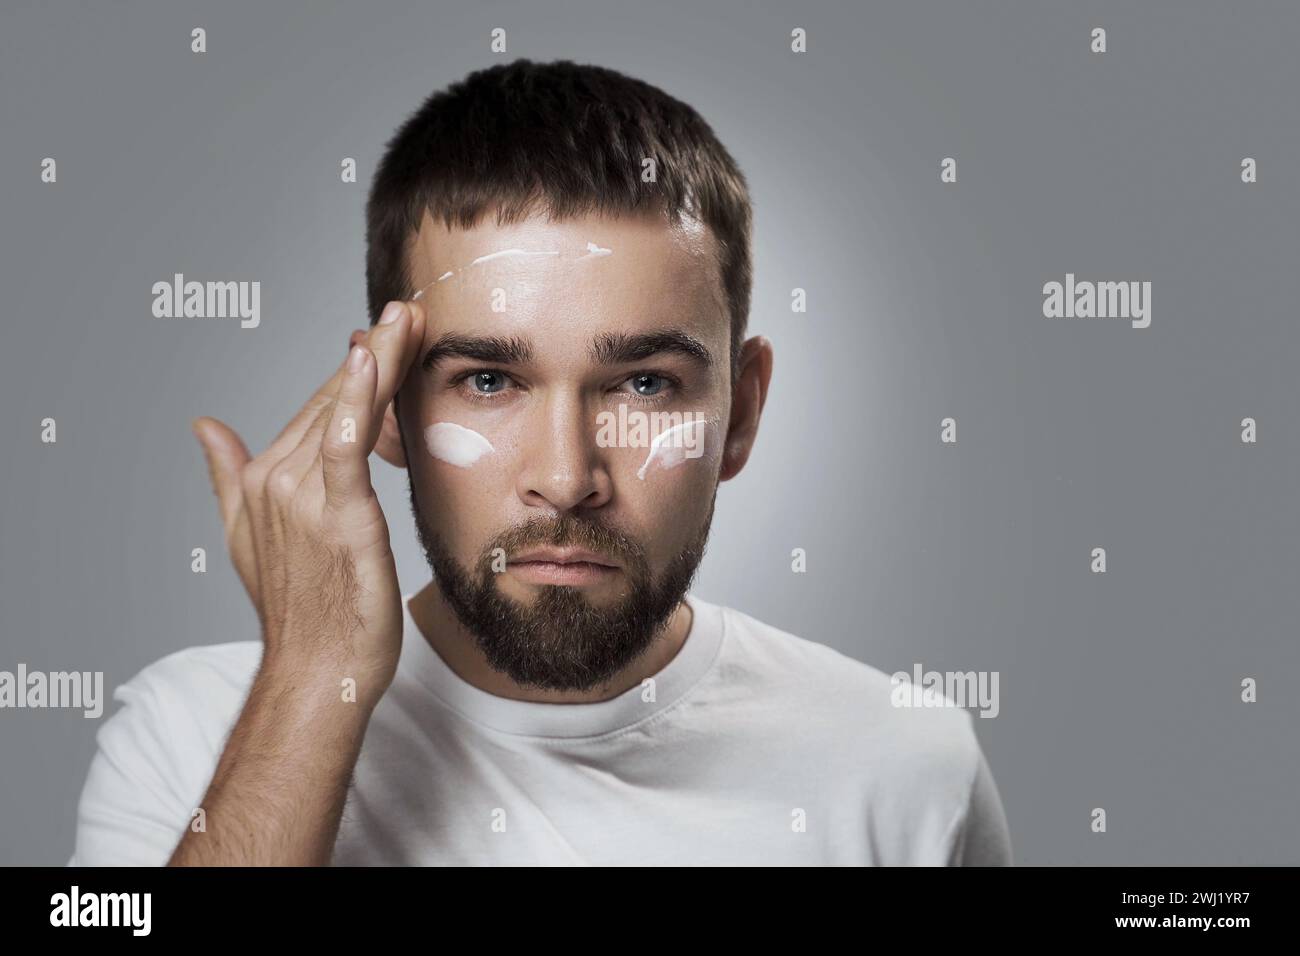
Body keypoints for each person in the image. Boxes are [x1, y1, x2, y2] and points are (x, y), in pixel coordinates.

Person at [68, 58, 1012, 866]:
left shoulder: (907, 767)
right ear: (382, 404)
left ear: (742, 412)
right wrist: (313, 681)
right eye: (488, 381)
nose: (566, 479)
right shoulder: (190, 735)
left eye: (643, 385)